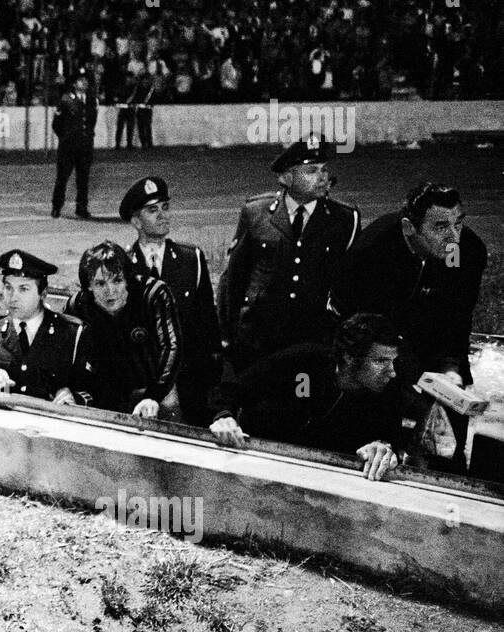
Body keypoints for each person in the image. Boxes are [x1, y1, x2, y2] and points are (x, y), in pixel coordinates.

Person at [331, 183, 488, 467]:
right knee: (390, 427)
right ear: (408, 228)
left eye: (459, 223)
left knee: (450, 434)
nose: (454, 237)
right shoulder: (372, 250)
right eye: (441, 227)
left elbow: (458, 319)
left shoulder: (469, 251)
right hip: (382, 348)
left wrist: (451, 370)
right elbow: (364, 330)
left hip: (434, 345)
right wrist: (412, 380)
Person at [219, 136, 360, 371]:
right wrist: (227, 333)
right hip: (261, 335)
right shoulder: (256, 212)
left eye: (324, 169)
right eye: (311, 170)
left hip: (315, 336)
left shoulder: (344, 219)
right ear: (287, 177)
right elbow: (234, 277)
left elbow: (350, 283)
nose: (323, 177)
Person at [208, 314, 405, 481]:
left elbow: (391, 440)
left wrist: (383, 448)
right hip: (261, 463)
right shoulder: (305, 360)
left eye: (392, 362)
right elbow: (230, 390)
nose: (391, 372)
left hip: (327, 478)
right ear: (349, 357)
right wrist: (224, 416)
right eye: (380, 361)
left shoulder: (388, 392)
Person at [120, 177, 222, 424]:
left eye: (165, 207)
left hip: (188, 379)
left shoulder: (191, 259)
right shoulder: (123, 265)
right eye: (152, 210)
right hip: (143, 385)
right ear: (136, 221)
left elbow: (206, 322)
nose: (163, 215)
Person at [67, 241, 183, 419]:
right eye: (100, 284)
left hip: (155, 385)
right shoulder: (79, 305)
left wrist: (154, 395)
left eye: (117, 280)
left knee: (167, 406)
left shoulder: (152, 294)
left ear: (127, 279)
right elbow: (62, 350)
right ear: (88, 285)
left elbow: (172, 346)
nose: (110, 291)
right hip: (106, 389)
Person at [0, 250, 96, 405]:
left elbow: (92, 390)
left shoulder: (73, 333)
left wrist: (73, 398)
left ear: (43, 293)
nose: (13, 297)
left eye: (24, 289)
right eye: (8, 288)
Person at [51, 71, 97, 220]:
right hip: (68, 147)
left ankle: (81, 207)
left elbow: (91, 122)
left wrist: (87, 138)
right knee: (62, 178)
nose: (84, 83)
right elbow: (56, 124)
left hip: (84, 146)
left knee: (83, 179)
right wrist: (65, 138)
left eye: (86, 80)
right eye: (80, 80)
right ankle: (56, 206)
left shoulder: (91, 100)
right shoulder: (65, 99)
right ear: (74, 83)